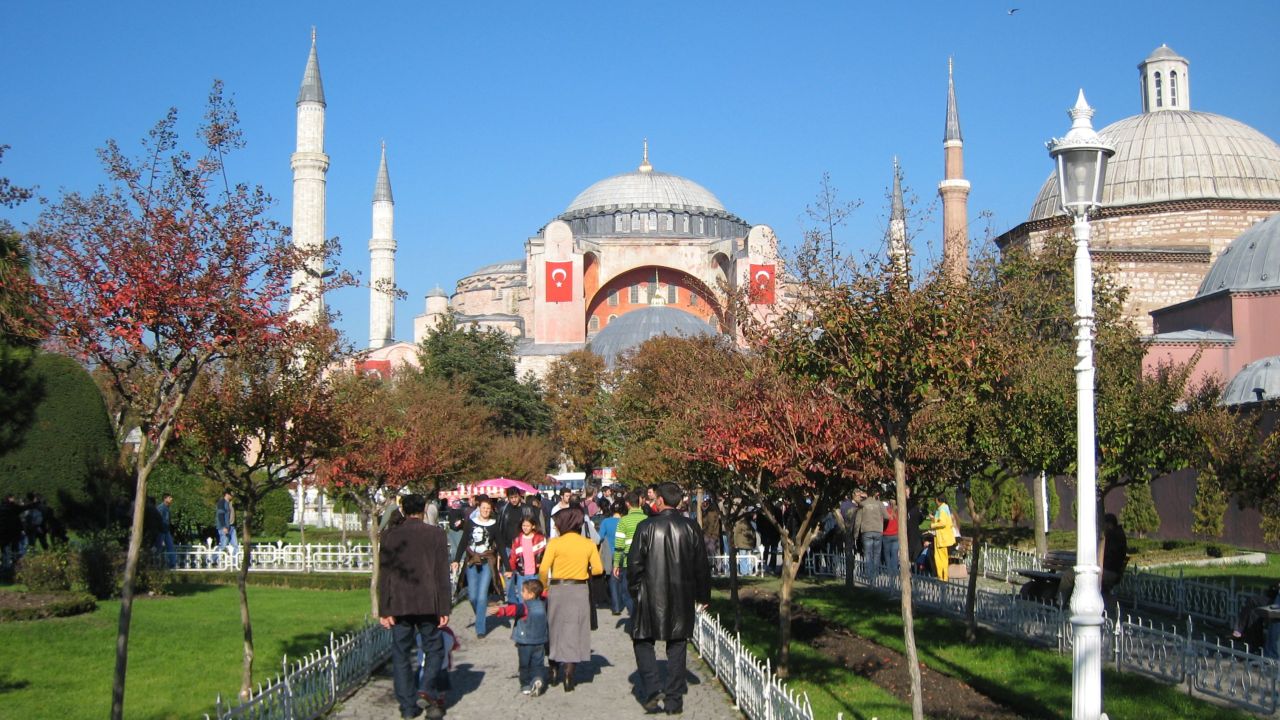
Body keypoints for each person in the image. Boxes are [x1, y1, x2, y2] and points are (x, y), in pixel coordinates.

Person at [628, 481, 711, 716]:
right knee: (677, 644)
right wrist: (703, 594)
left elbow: (634, 565)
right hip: (681, 594)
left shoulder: (646, 527)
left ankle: (653, 687)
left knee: (643, 640)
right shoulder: (691, 527)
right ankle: (674, 700)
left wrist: (635, 591)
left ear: (661, 500)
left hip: (650, 592)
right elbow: (701, 566)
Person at [378, 494, 452, 720]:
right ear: (423, 509)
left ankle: (407, 706)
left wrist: (384, 609)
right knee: (434, 648)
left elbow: (385, 575)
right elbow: (442, 573)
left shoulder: (390, 535)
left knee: (400, 654)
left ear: (403, 509)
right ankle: (426, 688)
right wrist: (444, 608)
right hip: (427, 602)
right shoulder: (436, 534)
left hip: (400, 602)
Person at [538, 505, 603, 692]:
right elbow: (598, 569)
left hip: (557, 588)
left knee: (555, 628)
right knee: (575, 630)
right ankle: (569, 675)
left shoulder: (554, 543)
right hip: (579, 589)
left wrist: (542, 587)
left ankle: (552, 669)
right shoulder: (588, 544)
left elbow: (543, 569)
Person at [451, 497, 501, 638]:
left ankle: (480, 628)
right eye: (483, 508)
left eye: (488, 508)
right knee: (473, 596)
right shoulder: (471, 523)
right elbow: (463, 542)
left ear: (491, 510)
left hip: (487, 563)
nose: (485, 510)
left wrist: (508, 567)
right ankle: (480, 612)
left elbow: (501, 545)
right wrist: (456, 560)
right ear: (479, 508)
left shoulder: (493, 524)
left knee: (481, 595)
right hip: (472, 561)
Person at [493, 578, 549, 697]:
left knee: (524, 664)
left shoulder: (525, 607)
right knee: (538, 664)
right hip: (540, 641)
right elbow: (545, 594)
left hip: (525, 643)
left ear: (531, 594)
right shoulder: (543, 603)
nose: (521, 593)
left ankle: (526, 685)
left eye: (523, 591)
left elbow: (512, 610)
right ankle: (538, 679)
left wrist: (501, 611)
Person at [613, 490, 647, 618]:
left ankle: (635, 618)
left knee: (627, 593)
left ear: (627, 504)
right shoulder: (647, 519)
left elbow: (619, 546)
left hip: (628, 562)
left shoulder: (623, 521)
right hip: (645, 562)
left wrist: (616, 564)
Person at [495, 488, 529, 606]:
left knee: (521, 574)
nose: (513, 500)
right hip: (507, 546)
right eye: (511, 497)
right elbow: (500, 528)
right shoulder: (504, 510)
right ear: (508, 498)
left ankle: (522, 602)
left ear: (519, 496)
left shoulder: (526, 509)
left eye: (515, 497)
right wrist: (499, 549)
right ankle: (511, 602)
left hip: (522, 546)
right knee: (508, 575)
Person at [506, 517, 546, 612]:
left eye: (528, 526)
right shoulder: (517, 540)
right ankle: (523, 619)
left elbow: (545, 555)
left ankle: (535, 618)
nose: (525, 528)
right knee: (522, 599)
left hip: (535, 574)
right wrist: (510, 570)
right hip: (522, 574)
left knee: (535, 599)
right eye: (523, 525)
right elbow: (513, 556)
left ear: (533, 526)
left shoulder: (540, 539)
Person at [597, 499, 624, 615]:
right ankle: (622, 601)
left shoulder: (606, 522)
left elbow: (600, 537)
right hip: (623, 552)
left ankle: (616, 606)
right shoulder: (625, 522)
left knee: (612, 580)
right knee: (623, 579)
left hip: (610, 554)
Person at [855, 489, 888, 575]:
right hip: (878, 529)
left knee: (868, 553)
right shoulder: (880, 504)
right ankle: (876, 572)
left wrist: (855, 533)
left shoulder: (863, 504)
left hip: (866, 530)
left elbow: (858, 520)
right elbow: (887, 516)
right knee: (877, 553)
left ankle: (869, 573)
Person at [1100, 513, 1129, 602]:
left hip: (1110, 571)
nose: (1103, 527)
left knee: (1083, 576)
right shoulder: (1116, 535)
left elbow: (1109, 557)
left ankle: (1060, 604)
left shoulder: (1114, 537)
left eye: (1104, 524)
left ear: (1109, 525)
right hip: (1110, 570)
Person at [929, 496, 957, 581]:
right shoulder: (945, 508)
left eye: (935, 500)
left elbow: (943, 522)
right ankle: (944, 576)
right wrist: (934, 519)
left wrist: (932, 525)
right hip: (943, 537)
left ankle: (941, 577)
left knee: (939, 558)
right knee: (944, 558)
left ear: (938, 500)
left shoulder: (942, 509)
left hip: (941, 538)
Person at [732, 509, 757, 576]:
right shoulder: (752, 523)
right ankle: (749, 571)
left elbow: (736, 533)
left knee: (743, 558)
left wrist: (735, 543)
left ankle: (744, 572)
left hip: (742, 544)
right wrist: (754, 543)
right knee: (749, 558)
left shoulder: (740, 523)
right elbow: (754, 535)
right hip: (750, 544)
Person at [155, 494, 176, 568]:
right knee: (159, 547)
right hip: (161, 531)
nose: (171, 499)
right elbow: (159, 520)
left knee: (170, 546)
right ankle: (156, 563)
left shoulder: (167, 508)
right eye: (169, 498)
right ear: (165, 499)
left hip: (166, 530)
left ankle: (172, 563)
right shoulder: (161, 508)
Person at [881, 497, 900, 573]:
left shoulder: (886, 511)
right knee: (894, 553)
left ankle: (889, 570)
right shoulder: (898, 511)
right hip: (896, 534)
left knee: (887, 553)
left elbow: (882, 521)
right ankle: (895, 570)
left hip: (886, 534)